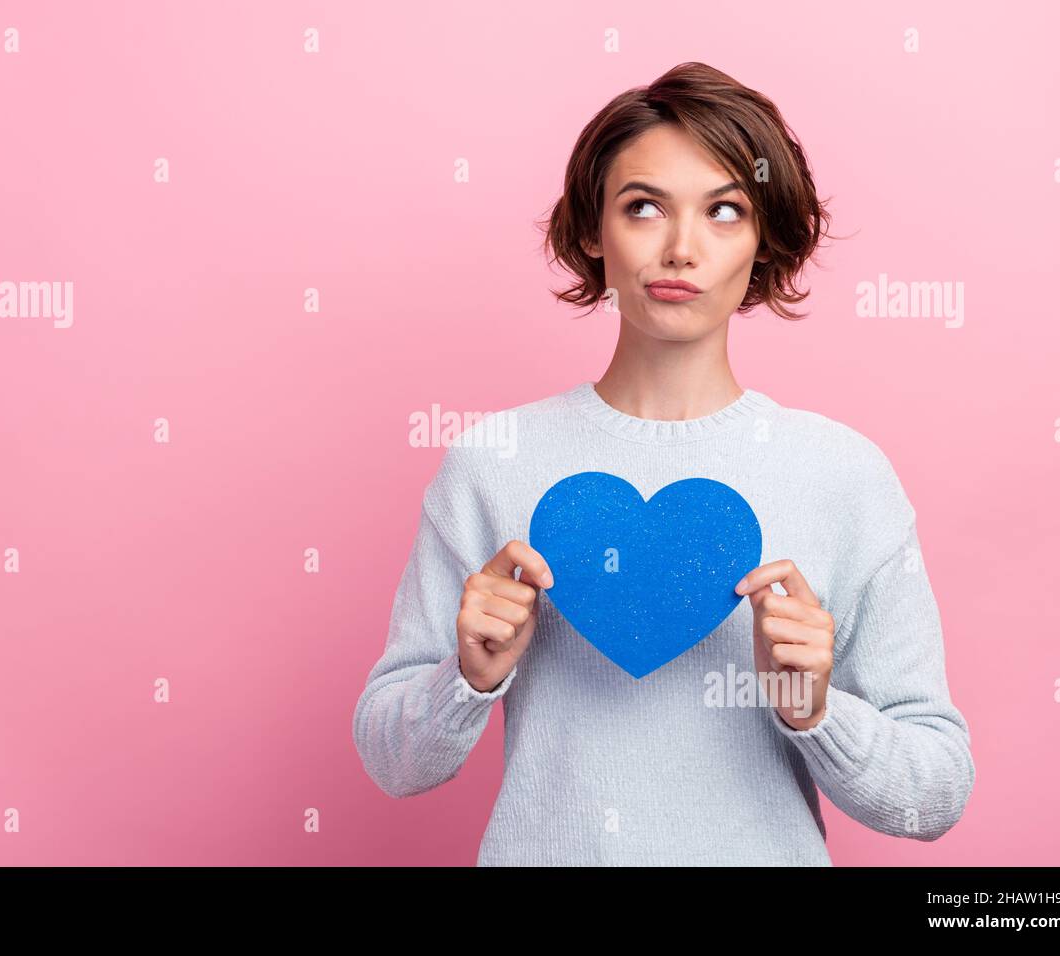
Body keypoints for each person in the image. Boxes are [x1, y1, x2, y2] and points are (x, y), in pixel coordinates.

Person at [351, 62, 975, 866]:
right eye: (644, 207)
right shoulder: (490, 462)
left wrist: (814, 709)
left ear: (763, 241)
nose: (682, 249)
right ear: (591, 231)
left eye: (724, 211)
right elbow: (389, 760)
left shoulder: (843, 474)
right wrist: (465, 679)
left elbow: (936, 793)